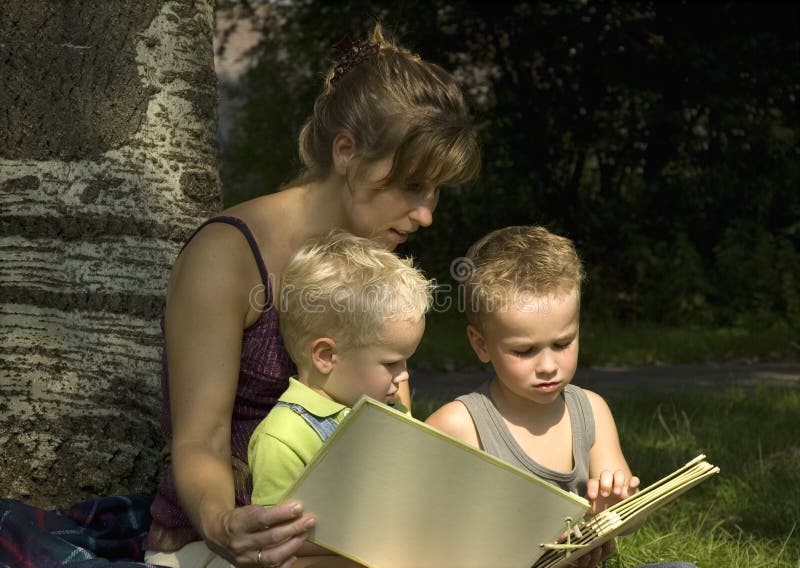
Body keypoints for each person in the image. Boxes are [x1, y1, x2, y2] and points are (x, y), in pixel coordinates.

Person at [143, 22, 480, 568]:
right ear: (346, 152)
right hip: (227, 547)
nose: (426, 215)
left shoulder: (371, 256)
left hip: (343, 546)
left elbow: (387, 427)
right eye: (411, 186)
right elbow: (199, 440)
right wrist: (224, 524)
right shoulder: (227, 255)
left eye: (436, 191)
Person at [425, 226, 697, 568]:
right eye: (525, 351)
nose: (549, 366)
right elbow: (420, 533)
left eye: (562, 343)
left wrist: (616, 506)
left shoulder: (591, 410)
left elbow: (631, 521)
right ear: (481, 344)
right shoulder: (461, 425)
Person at [247, 231, 433, 561]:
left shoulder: (388, 409)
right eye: (390, 363)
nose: (404, 375)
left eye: (407, 360)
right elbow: (275, 540)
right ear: (326, 356)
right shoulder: (284, 437)